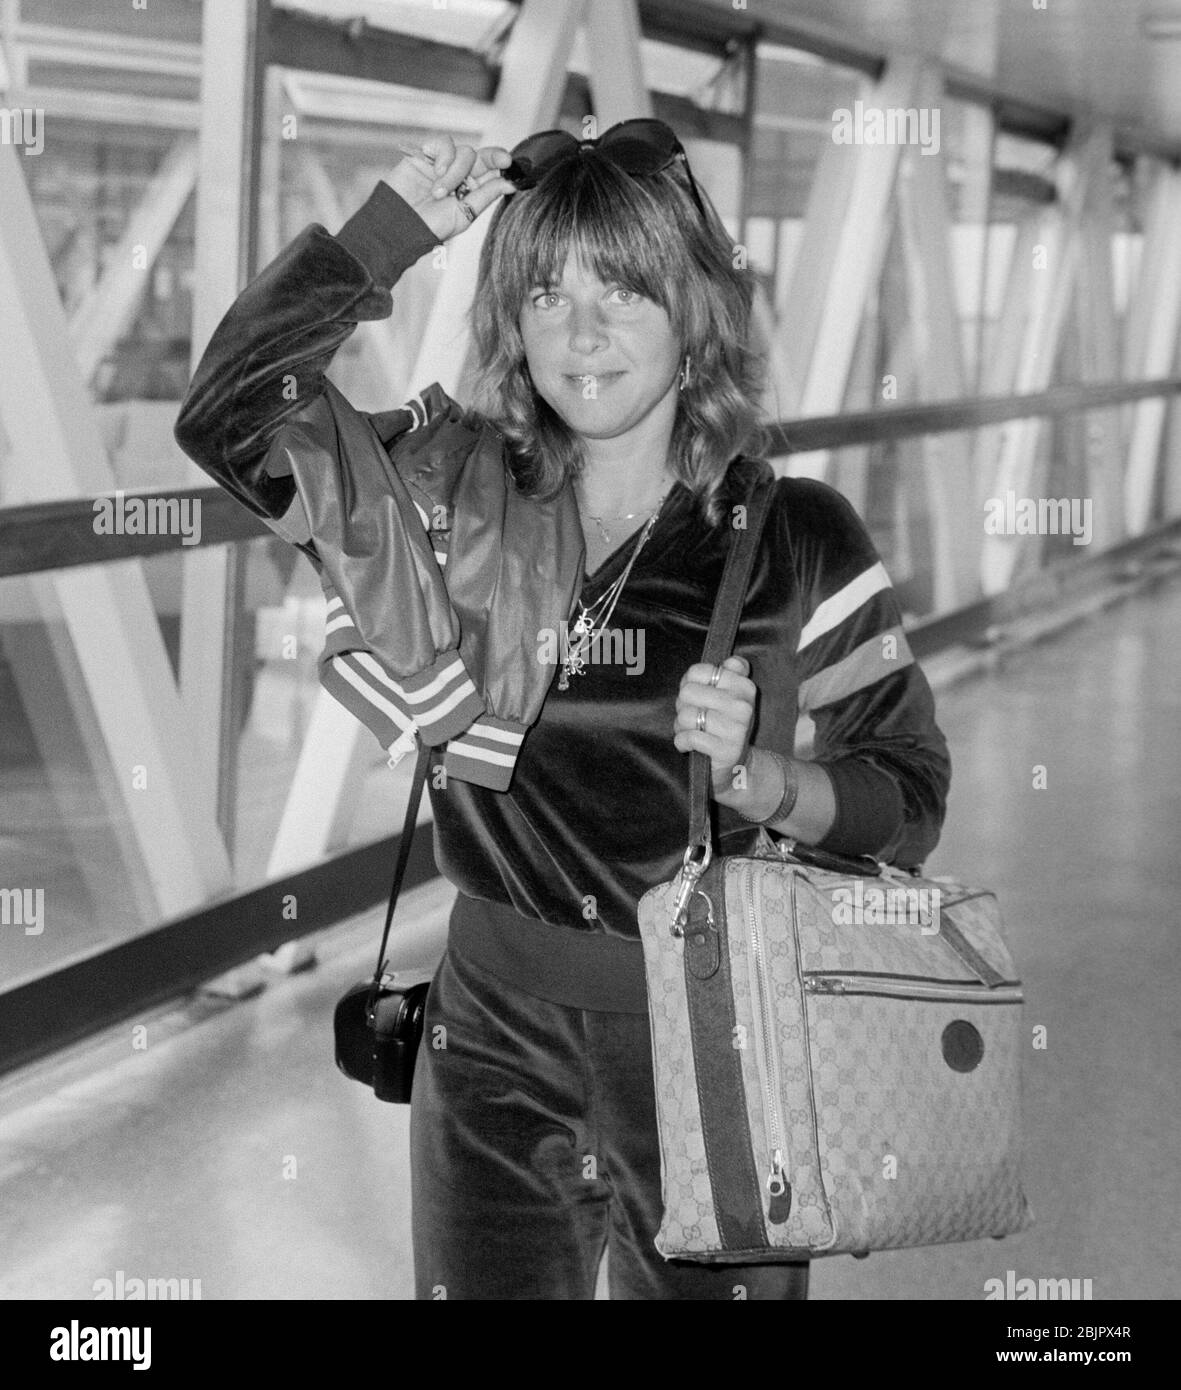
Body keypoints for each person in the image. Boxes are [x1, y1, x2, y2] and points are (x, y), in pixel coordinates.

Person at [175, 119, 951, 1301]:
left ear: (693, 309)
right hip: (489, 1044)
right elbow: (228, 414)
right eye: (545, 293)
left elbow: (906, 795)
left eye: (623, 292)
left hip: (718, 1053)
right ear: (510, 321)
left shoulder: (793, 536)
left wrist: (761, 779)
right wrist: (387, 235)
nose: (580, 334)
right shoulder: (439, 498)